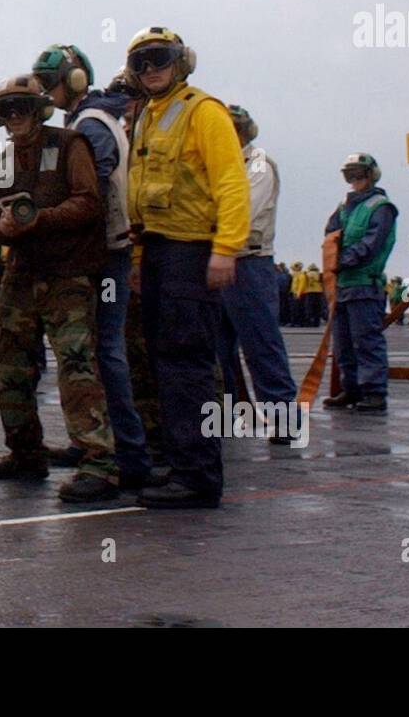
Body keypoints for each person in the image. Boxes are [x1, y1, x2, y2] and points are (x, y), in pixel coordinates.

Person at [0, 73, 119, 503]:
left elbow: (89, 203)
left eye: (23, 107)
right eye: (8, 110)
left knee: (76, 364)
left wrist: (39, 218)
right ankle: (25, 452)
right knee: (11, 364)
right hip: (22, 274)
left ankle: (100, 462)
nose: (16, 116)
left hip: (68, 274)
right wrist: (4, 228)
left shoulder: (70, 145)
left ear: (40, 109)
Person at [125, 26, 250, 509]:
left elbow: (231, 183)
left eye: (159, 59)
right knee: (167, 365)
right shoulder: (149, 118)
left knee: (188, 365)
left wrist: (226, 249)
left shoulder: (203, 112)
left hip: (192, 252)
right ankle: (182, 465)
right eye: (141, 63)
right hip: (158, 252)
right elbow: (139, 198)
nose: (150, 70)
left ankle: (199, 477)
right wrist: (137, 260)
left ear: (181, 61)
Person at [33, 43, 155, 487]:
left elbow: (92, 195)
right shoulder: (89, 120)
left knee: (102, 355)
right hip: (105, 253)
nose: (48, 93)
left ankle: (125, 456)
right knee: (101, 354)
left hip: (102, 256)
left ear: (76, 79)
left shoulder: (91, 125)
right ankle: (105, 443)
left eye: (51, 82)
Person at [215, 105, 297, 439]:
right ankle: (226, 414)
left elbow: (241, 212)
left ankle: (284, 418)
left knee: (261, 343)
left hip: (249, 261)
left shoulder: (258, 164)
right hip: (219, 258)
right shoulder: (219, 166)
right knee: (217, 348)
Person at [321, 153, 398, 413]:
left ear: (371, 175)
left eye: (359, 174)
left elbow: (371, 245)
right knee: (342, 344)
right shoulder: (345, 207)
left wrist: (342, 259)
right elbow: (331, 232)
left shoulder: (381, 207)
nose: (355, 179)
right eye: (350, 174)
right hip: (343, 285)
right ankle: (351, 389)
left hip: (365, 284)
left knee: (367, 341)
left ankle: (374, 392)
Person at [289, 261, 307, 326]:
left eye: (295, 267)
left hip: (299, 294)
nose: (293, 269)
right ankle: (295, 322)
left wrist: (298, 294)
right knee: (294, 309)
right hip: (294, 293)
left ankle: (299, 322)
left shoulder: (301, 275)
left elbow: (301, 285)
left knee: (298, 308)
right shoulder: (296, 275)